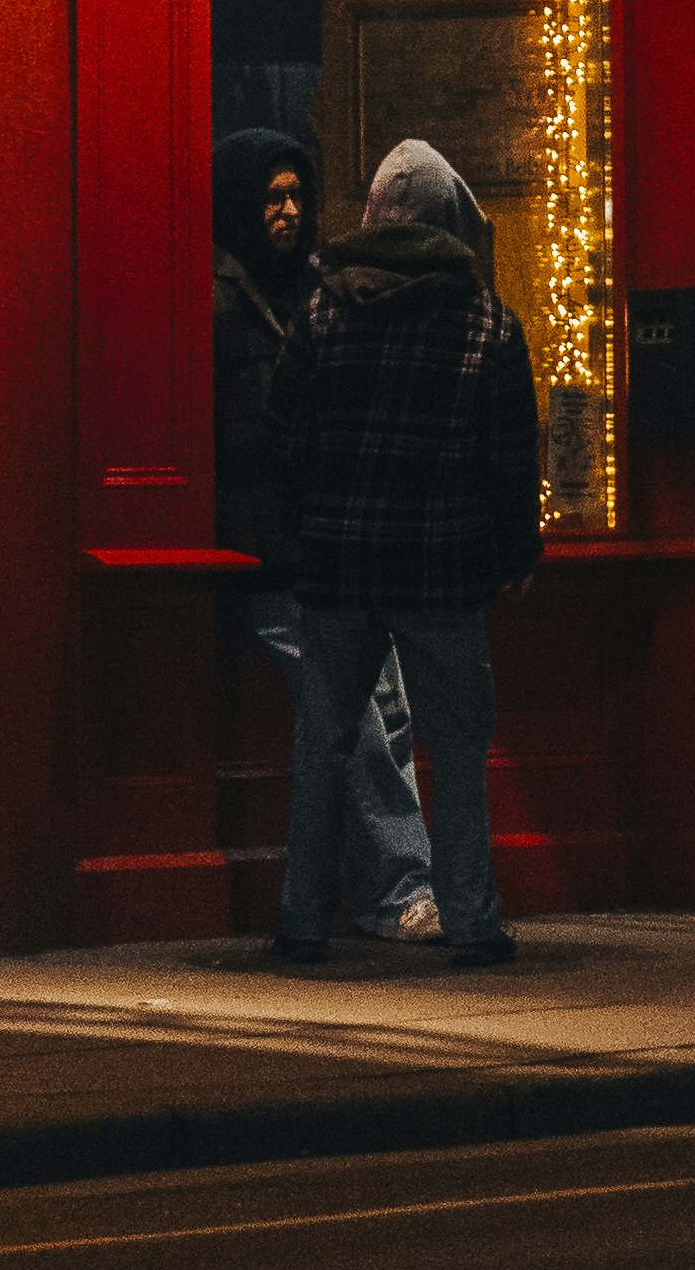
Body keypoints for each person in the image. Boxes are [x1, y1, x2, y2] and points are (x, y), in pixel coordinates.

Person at [263, 136, 539, 967]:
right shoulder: (486, 321)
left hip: (338, 570)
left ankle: (302, 920)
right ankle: (473, 920)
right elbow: (510, 460)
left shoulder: (321, 312)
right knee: (456, 749)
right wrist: (514, 550)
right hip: (443, 570)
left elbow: (285, 442)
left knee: (324, 746)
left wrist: (310, 527)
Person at [214, 127, 439, 942]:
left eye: (297, 195)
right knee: (360, 720)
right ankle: (401, 891)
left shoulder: (323, 291)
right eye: (272, 196)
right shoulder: (215, 297)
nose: (288, 210)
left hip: (335, 547)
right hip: (263, 558)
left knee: (392, 706)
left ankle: (357, 897)